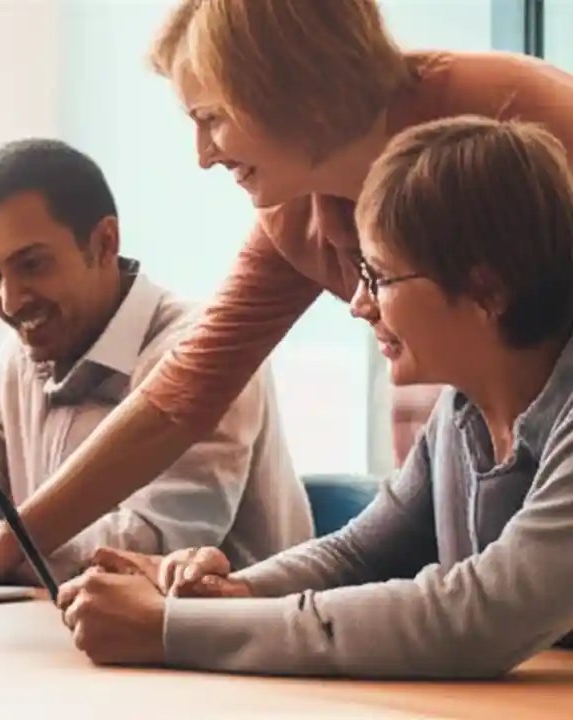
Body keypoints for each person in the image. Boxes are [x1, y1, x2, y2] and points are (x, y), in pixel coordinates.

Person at [0, 0, 573, 583]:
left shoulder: (529, 118)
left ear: (284, 85)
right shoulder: (297, 213)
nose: (202, 155)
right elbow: (183, 393)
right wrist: (15, 541)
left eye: (211, 118)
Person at [58, 116, 573, 677]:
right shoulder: (459, 411)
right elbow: (355, 556)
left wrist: (166, 629)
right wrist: (223, 595)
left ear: (486, 290)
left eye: (379, 278)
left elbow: (476, 617)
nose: (358, 303)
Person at [0, 139, 310, 583]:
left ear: (104, 242)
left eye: (32, 265)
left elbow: (158, 543)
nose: (11, 300)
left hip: (223, 655)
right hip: (72, 639)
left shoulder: (207, 352)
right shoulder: (24, 350)